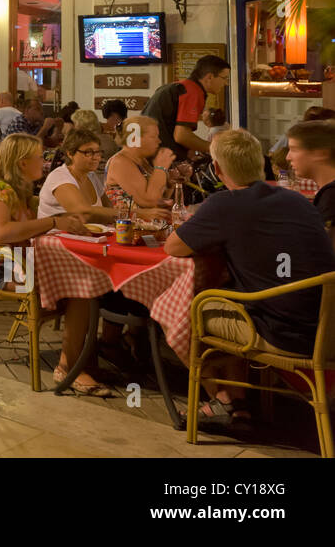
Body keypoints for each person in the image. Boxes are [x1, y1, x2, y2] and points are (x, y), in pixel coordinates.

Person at [165, 129, 335, 426]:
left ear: (217, 169)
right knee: (228, 294)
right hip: (326, 323)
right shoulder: (296, 200)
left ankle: (221, 399)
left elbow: (173, 246)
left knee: (184, 309)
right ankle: (239, 401)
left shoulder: (223, 204)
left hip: (285, 331)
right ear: (261, 163)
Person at [0, 134, 108, 394]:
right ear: (22, 163)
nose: (44, 163)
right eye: (39, 157)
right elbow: (1, 233)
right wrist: (53, 222)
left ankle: (80, 357)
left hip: (13, 263)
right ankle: (68, 367)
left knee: (86, 279)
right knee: (80, 288)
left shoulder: (17, 189)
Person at [144, 54, 231, 163]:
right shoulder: (192, 91)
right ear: (209, 77)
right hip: (157, 159)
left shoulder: (177, 86)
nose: (226, 83)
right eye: (225, 78)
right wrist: (215, 148)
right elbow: (181, 136)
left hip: (147, 155)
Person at [105, 116, 176, 209]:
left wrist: (170, 183)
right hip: (124, 223)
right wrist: (160, 168)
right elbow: (149, 201)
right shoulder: (120, 162)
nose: (159, 141)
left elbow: (159, 199)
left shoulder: (142, 161)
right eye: (153, 137)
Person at [285, 120, 335, 235]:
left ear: (321, 153)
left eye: (294, 149)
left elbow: (325, 250)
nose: (288, 157)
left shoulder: (331, 197)